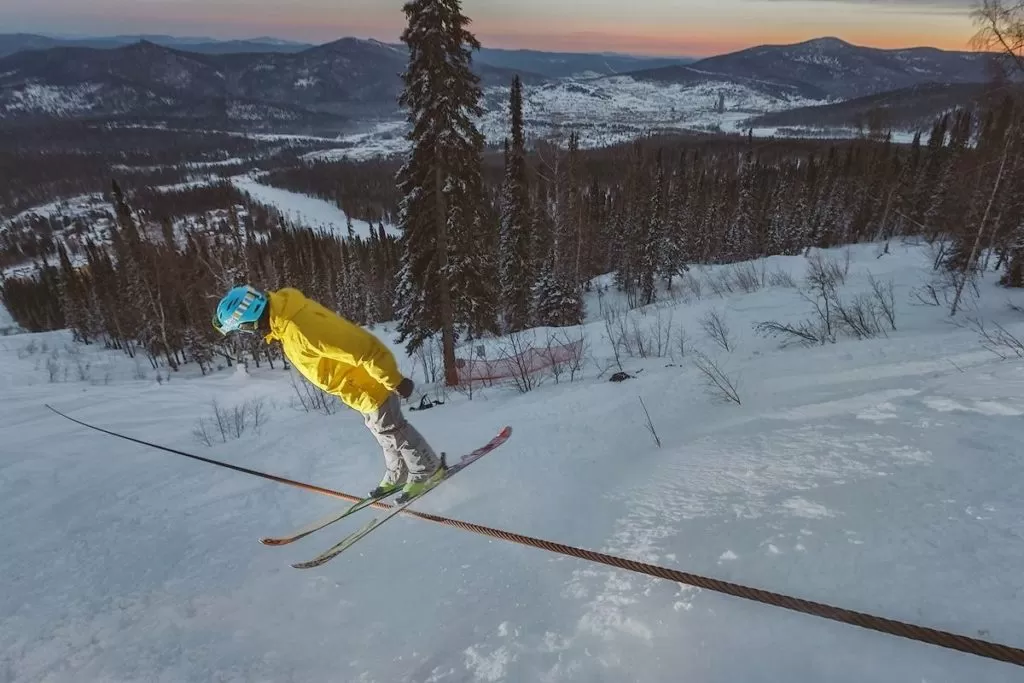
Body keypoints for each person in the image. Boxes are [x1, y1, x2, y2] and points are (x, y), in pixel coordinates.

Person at [211, 284, 446, 504]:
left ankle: (428, 467)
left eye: (243, 328)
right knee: (382, 431)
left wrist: (394, 380)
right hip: (356, 390)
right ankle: (400, 471)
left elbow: (362, 347)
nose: (249, 333)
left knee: (392, 429)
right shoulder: (284, 321)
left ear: (250, 321)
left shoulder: (299, 327)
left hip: (368, 383)